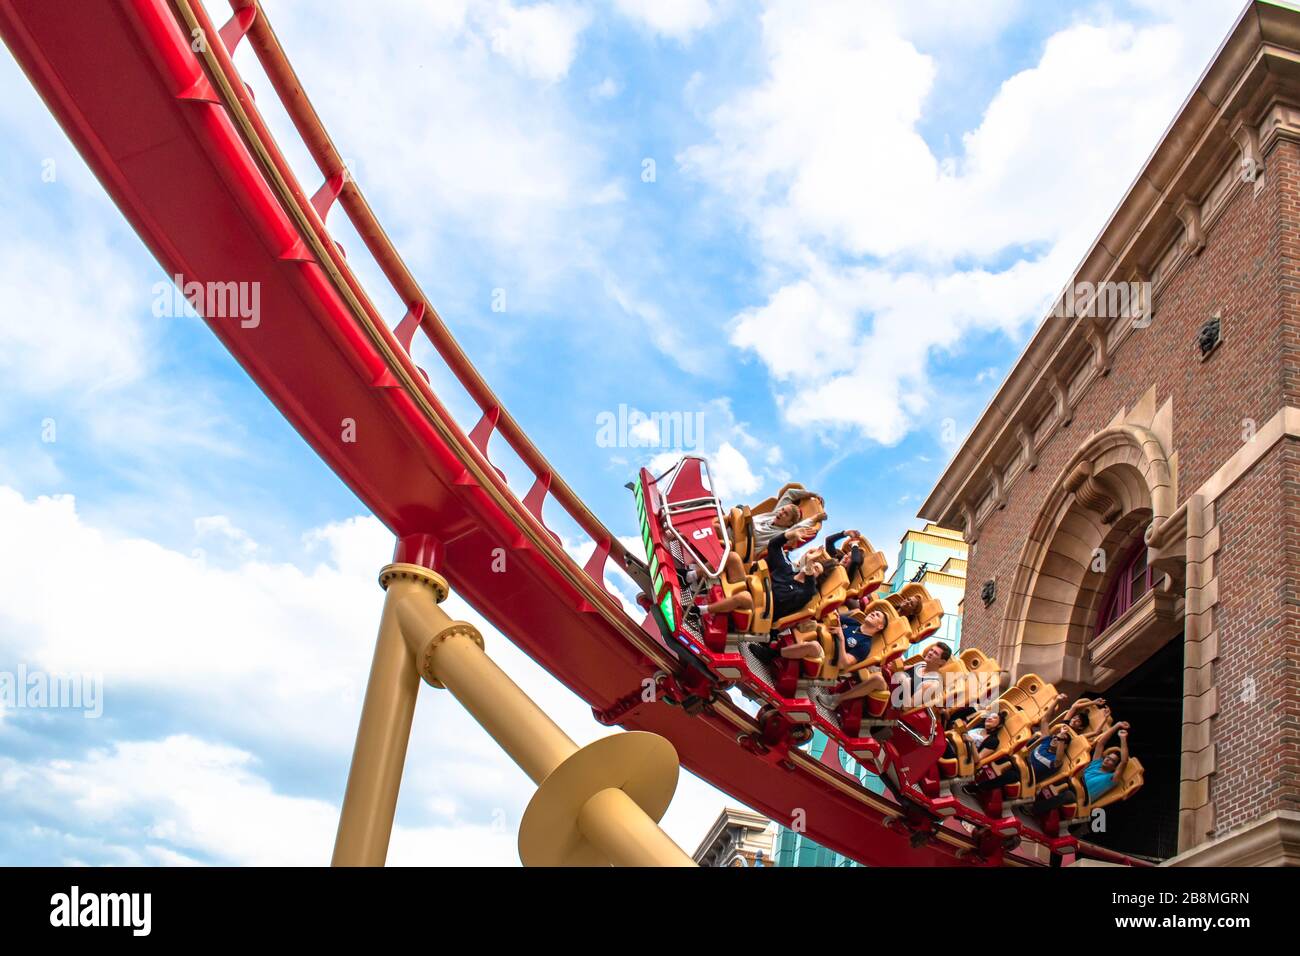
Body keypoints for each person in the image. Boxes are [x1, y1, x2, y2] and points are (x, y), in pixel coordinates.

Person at [965, 693, 1071, 795]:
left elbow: (1058, 759)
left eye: (1061, 739)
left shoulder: (1056, 760)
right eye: (1056, 736)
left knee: (1011, 775)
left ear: (1064, 746)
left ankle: (978, 788)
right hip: (1017, 761)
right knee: (1003, 755)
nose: (1056, 739)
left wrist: (1062, 737)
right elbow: (1045, 720)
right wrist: (1057, 700)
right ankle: (972, 771)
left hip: (1026, 776)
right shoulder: (1047, 741)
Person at [749, 526, 827, 665]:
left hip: (761, 612)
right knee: (733, 558)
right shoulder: (786, 568)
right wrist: (790, 534)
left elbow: (809, 590)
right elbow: (773, 545)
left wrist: (809, 563)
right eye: (814, 563)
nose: (813, 566)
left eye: (816, 569)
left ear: (815, 579)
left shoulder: (806, 592)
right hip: (750, 593)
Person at [823, 639, 951, 709]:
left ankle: (836, 700)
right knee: (871, 660)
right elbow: (898, 670)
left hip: (895, 702)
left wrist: (904, 683)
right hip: (891, 686)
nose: (930, 653)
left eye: (935, 654)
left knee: (878, 679)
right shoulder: (920, 665)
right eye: (932, 650)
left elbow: (908, 706)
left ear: (941, 661)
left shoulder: (932, 683)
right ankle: (833, 682)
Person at [1033, 722, 1130, 815]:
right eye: (1107, 757)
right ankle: (1031, 795)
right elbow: (1101, 743)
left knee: (1068, 795)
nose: (1107, 760)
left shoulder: (1112, 778)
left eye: (1111, 760)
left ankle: (1033, 809)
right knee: (1059, 773)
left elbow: (1124, 761)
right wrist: (1117, 726)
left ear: (1115, 766)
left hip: (1080, 798)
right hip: (1071, 783)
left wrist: (1123, 738)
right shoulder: (1097, 763)